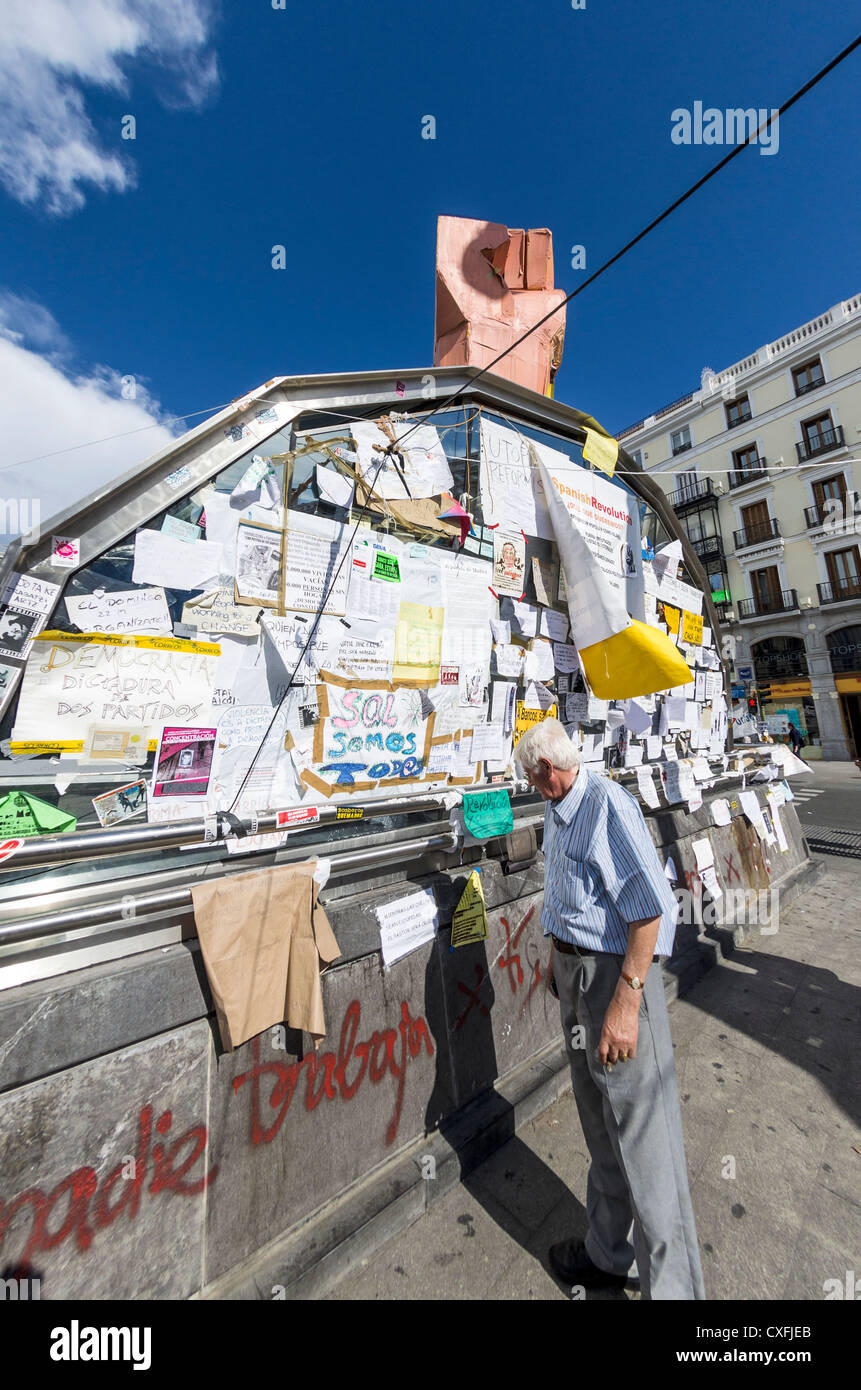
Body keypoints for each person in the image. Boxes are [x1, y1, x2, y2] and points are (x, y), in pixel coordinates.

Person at [515, 718, 705, 1300]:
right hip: (576, 976)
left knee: (645, 1143)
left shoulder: (606, 807)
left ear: (547, 769)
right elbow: (566, 893)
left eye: (529, 777)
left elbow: (650, 912)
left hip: (615, 980)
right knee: (599, 1123)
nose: (528, 786)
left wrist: (625, 1004)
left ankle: (673, 1293)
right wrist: (555, 957)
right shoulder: (558, 803)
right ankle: (606, 1253)